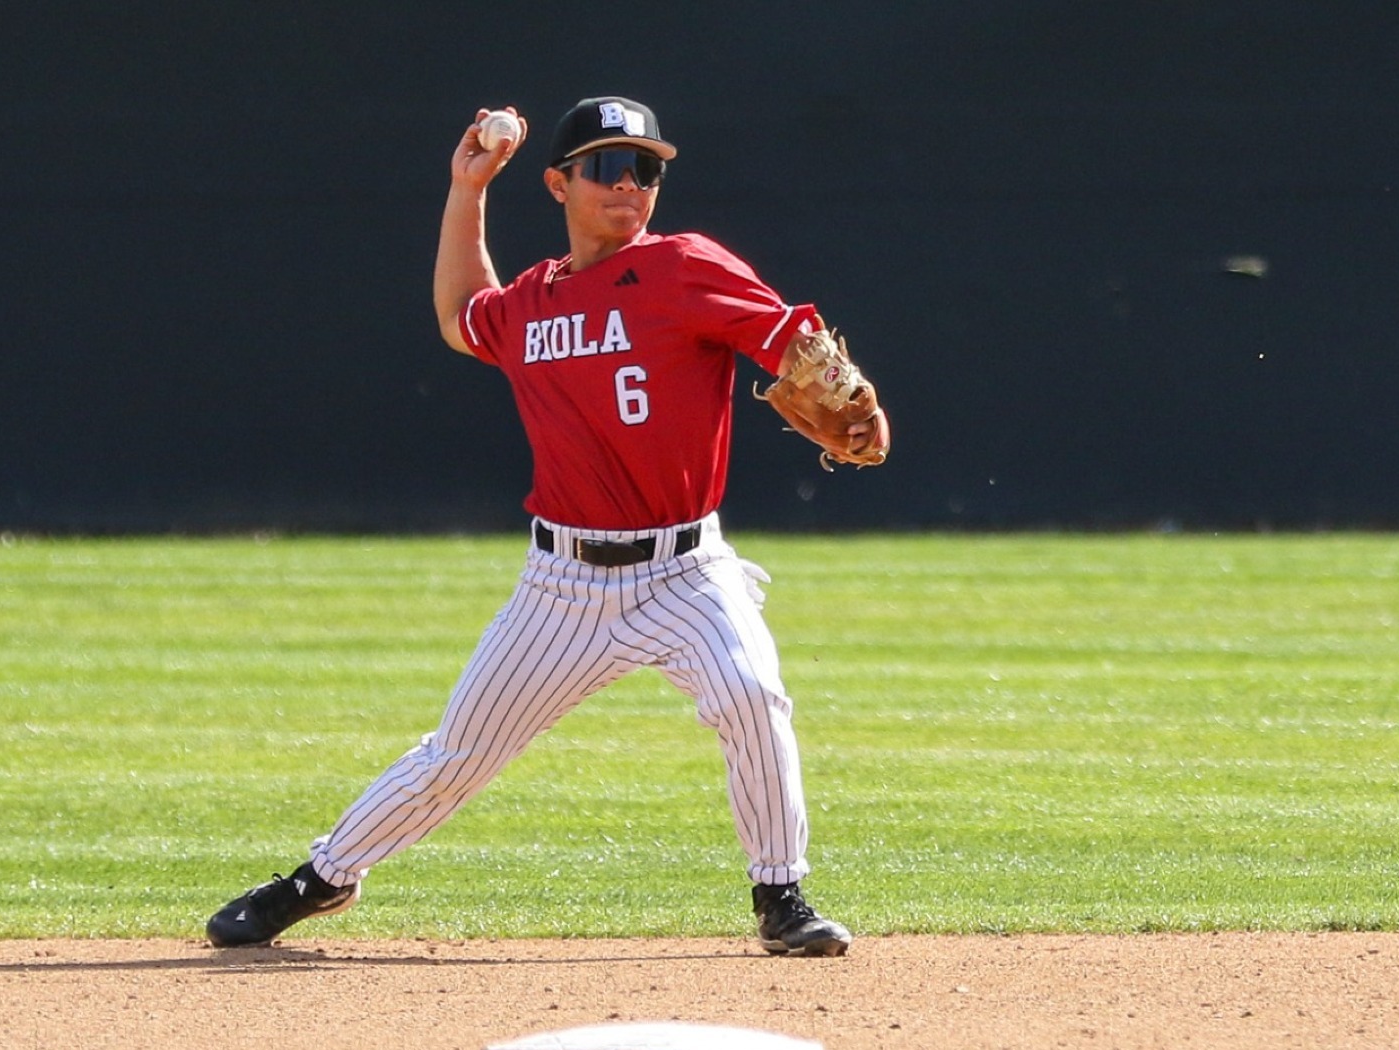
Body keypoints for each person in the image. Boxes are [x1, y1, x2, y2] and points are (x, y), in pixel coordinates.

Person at [205, 95, 887, 957]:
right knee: (459, 754)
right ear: (559, 183)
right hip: (561, 587)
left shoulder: (684, 266)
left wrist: (841, 391)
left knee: (751, 695)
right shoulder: (532, 302)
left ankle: (781, 895)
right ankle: (322, 878)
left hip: (687, 571)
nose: (629, 185)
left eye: (646, 169)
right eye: (607, 167)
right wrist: (468, 189)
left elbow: (791, 338)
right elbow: (462, 316)